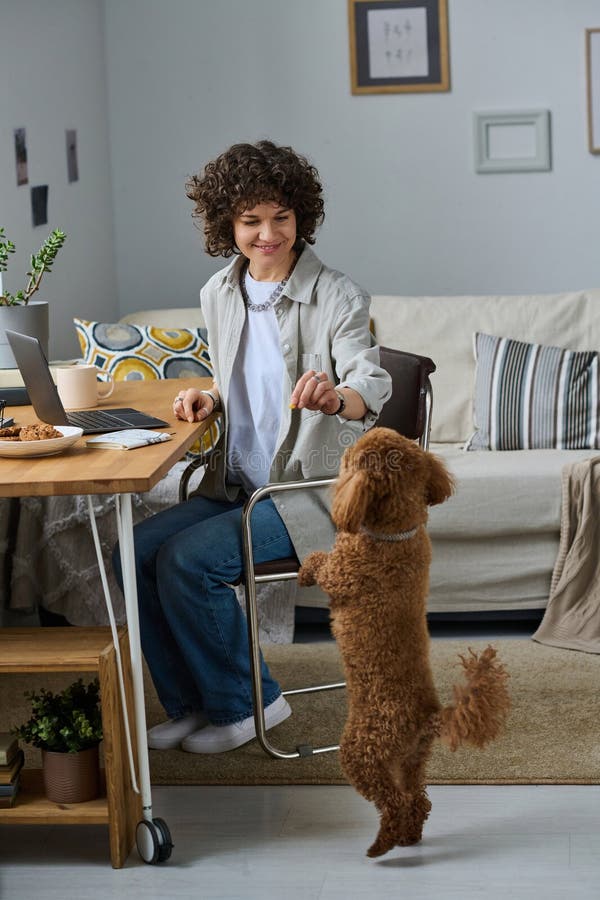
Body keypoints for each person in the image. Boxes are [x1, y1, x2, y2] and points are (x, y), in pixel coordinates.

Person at [113, 140, 391, 754]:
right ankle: (193, 704)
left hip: (303, 495)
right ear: (226, 225)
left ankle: (250, 706)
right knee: (129, 554)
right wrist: (210, 399)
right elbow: (238, 376)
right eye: (251, 221)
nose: (268, 234)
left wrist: (334, 397)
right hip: (238, 483)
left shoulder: (337, 296)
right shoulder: (220, 292)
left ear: (301, 218)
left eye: (281, 218)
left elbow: (368, 383)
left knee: (189, 562)